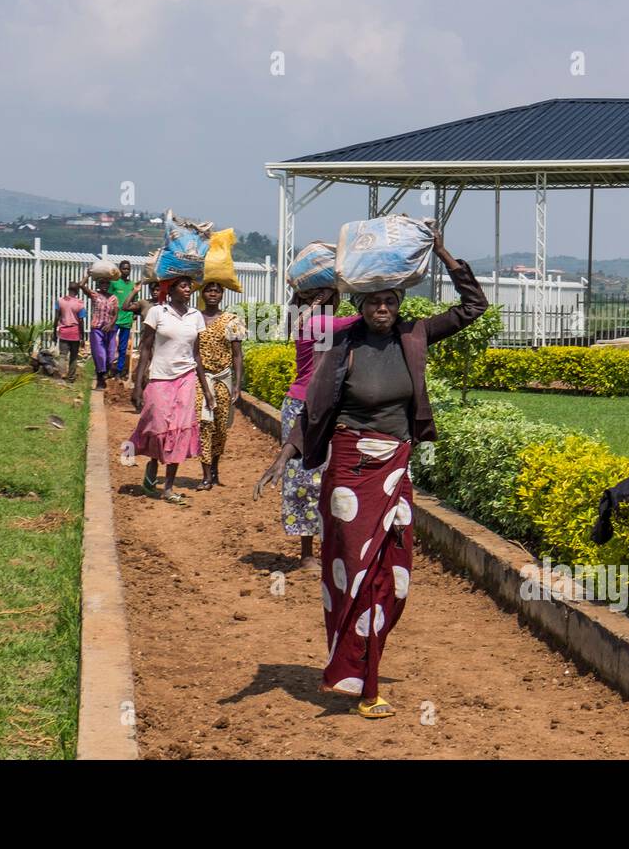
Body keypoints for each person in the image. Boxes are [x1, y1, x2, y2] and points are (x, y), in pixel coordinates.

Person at [254, 230, 487, 719]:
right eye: (373, 301)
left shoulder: (415, 334)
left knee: (393, 579)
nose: (382, 308)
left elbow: (473, 307)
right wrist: (287, 453)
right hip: (349, 469)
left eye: (389, 300)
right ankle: (364, 682)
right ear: (359, 304)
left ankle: (360, 663)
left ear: (400, 301)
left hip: (394, 468)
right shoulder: (341, 344)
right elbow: (315, 407)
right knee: (358, 575)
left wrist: (443, 252)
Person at [275, 286, 359, 569]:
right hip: (306, 407)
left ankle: (313, 550)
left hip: (304, 403)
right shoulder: (320, 322)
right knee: (308, 480)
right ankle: (309, 554)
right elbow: (363, 319)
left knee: (310, 478)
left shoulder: (303, 320)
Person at [130, 276, 213, 505]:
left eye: (189, 286)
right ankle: (153, 464)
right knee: (157, 426)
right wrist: (137, 384)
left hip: (186, 378)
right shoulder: (158, 312)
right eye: (183, 286)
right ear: (171, 289)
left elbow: (196, 355)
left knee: (179, 430)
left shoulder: (195, 316)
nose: (188, 290)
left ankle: (168, 487)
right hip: (159, 377)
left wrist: (205, 389)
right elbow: (146, 348)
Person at [193, 281, 246, 490]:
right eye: (209, 290)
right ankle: (205, 475)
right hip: (202, 377)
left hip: (223, 379)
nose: (212, 294)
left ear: (222, 295)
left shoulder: (232, 320)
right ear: (203, 294)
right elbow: (194, 352)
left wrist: (237, 384)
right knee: (204, 424)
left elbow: (237, 355)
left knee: (220, 428)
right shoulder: (195, 318)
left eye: (216, 291)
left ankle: (214, 467)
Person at [80, 277, 120, 389]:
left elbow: (116, 313)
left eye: (107, 283)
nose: (105, 285)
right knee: (100, 354)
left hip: (110, 330)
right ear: (99, 283)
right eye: (102, 282)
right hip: (97, 329)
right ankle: (100, 379)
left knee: (110, 354)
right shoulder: (95, 295)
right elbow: (82, 285)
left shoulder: (113, 298)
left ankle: (106, 373)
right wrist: (88, 275)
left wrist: (111, 324)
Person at [110, 261, 137, 381]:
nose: (126, 271)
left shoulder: (132, 285)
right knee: (111, 345)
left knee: (123, 347)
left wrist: (135, 314)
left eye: (128, 269)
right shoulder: (114, 283)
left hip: (127, 320)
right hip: (114, 320)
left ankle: (119, 371)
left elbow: (135, 300)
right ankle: (109, 367)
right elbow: (109, 298)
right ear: (120, 270)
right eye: (124, 269)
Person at [54, 282, 86, 382]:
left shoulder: (60, 301)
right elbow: (81, 321)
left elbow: (56, 317)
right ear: (77, 291)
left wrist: (54, 332)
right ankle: (71, 377)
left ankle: (62, 375)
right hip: (75, 333)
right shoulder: (80, 304)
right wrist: (82, 337)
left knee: (63, 355)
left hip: (63, 332)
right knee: (73, 356)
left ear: (68, 289)